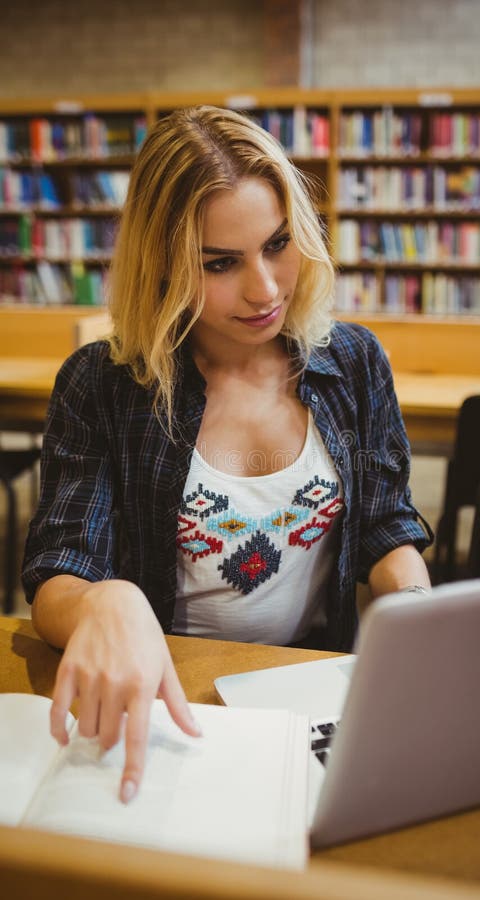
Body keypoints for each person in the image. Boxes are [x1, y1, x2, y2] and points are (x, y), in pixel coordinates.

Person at [22, 105, 432, 805]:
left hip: (305, 694)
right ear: (164, 264)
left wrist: (419, 610)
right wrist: (105, 602)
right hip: (163, 702)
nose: (266, 289)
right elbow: (59, 572)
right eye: (220, 263)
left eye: (278, 244)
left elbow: (384, 525)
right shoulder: (103, 383)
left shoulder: (355, 361)